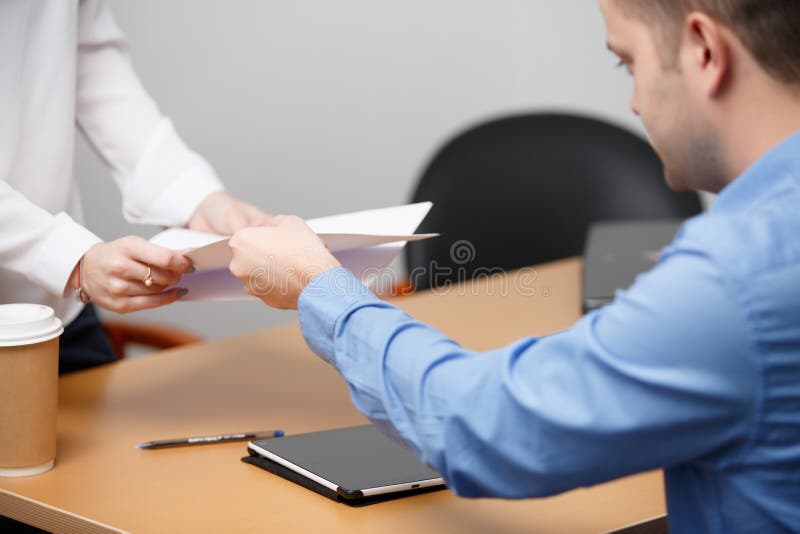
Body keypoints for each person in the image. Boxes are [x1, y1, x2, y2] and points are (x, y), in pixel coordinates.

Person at [228, 0, 800, 531]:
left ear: (704, 50)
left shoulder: (738, 278)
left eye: (628, 63)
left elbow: (485, 425)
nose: (634, 101)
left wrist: (318, 286)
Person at [0, 1, 271, 373]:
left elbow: (90, 62)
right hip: (59, 277)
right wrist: (66, 257)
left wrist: (196, 197)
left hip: (56, 310)